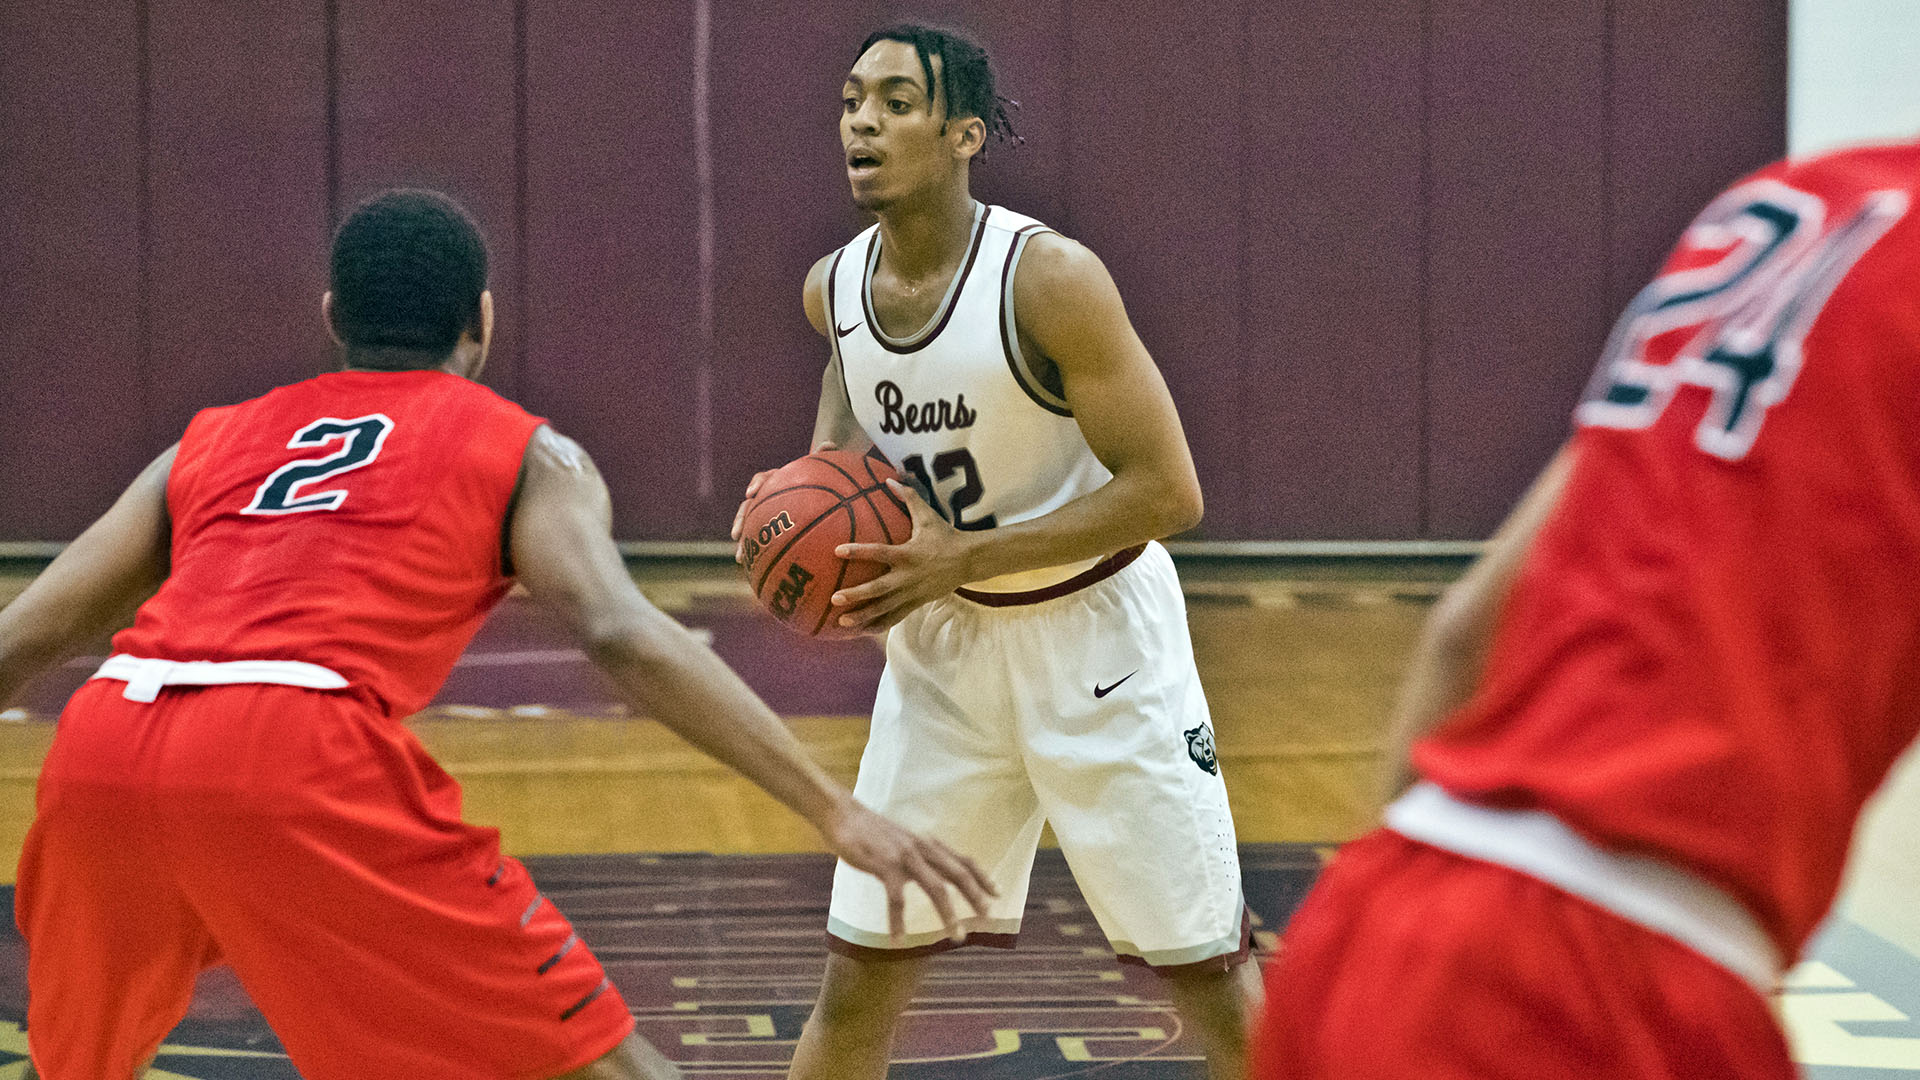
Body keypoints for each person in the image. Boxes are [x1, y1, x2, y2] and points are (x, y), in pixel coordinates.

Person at [1, 189, 995, 1080]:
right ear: (482, 320)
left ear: (334, 318)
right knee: (603, 1066)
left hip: (102, 747)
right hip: (294, 750)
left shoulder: (207, 438)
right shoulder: (524, 451)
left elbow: (28, 635)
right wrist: (833, 809)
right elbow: (619, 632)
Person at [1252, 139, 1920, 1078]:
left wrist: (1419, 959)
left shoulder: (1788, 202)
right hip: (1612, 983)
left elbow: (1465, 631)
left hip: (1379, 915)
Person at [728, 25, 1258, 1080]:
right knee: (859, 981)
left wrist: (962, 556)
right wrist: (798, 499)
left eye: (896, 103)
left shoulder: (1047, 278)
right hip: (947, 662)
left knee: (1208, 981)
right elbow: (847, 414)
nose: (863, 123)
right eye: (851, 101)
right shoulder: (833, 289)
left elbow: (1169, 493)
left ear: (964, 134)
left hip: (1102, 652)